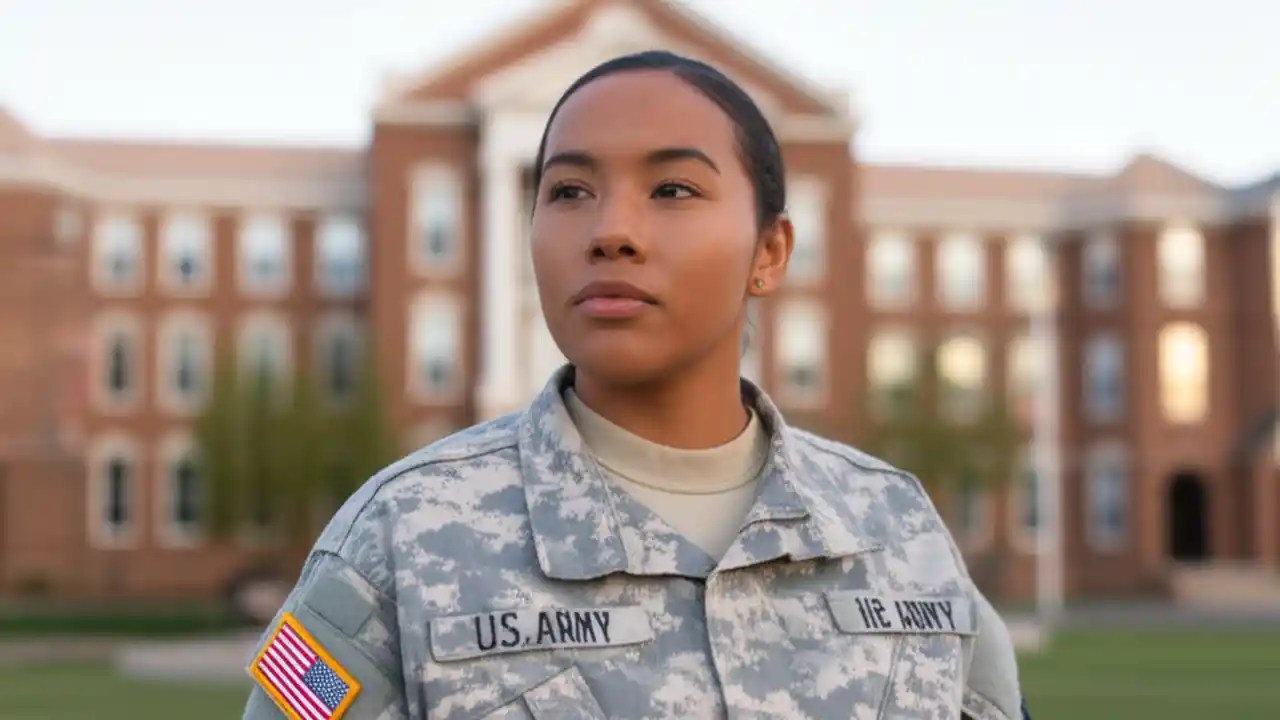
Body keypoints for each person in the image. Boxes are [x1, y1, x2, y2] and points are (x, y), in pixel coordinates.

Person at [242, 50, 1027, 720]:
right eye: (568, 192)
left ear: (771, 251)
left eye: (673, 190)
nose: (609, 230)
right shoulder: (394, 539)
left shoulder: (899, 530)